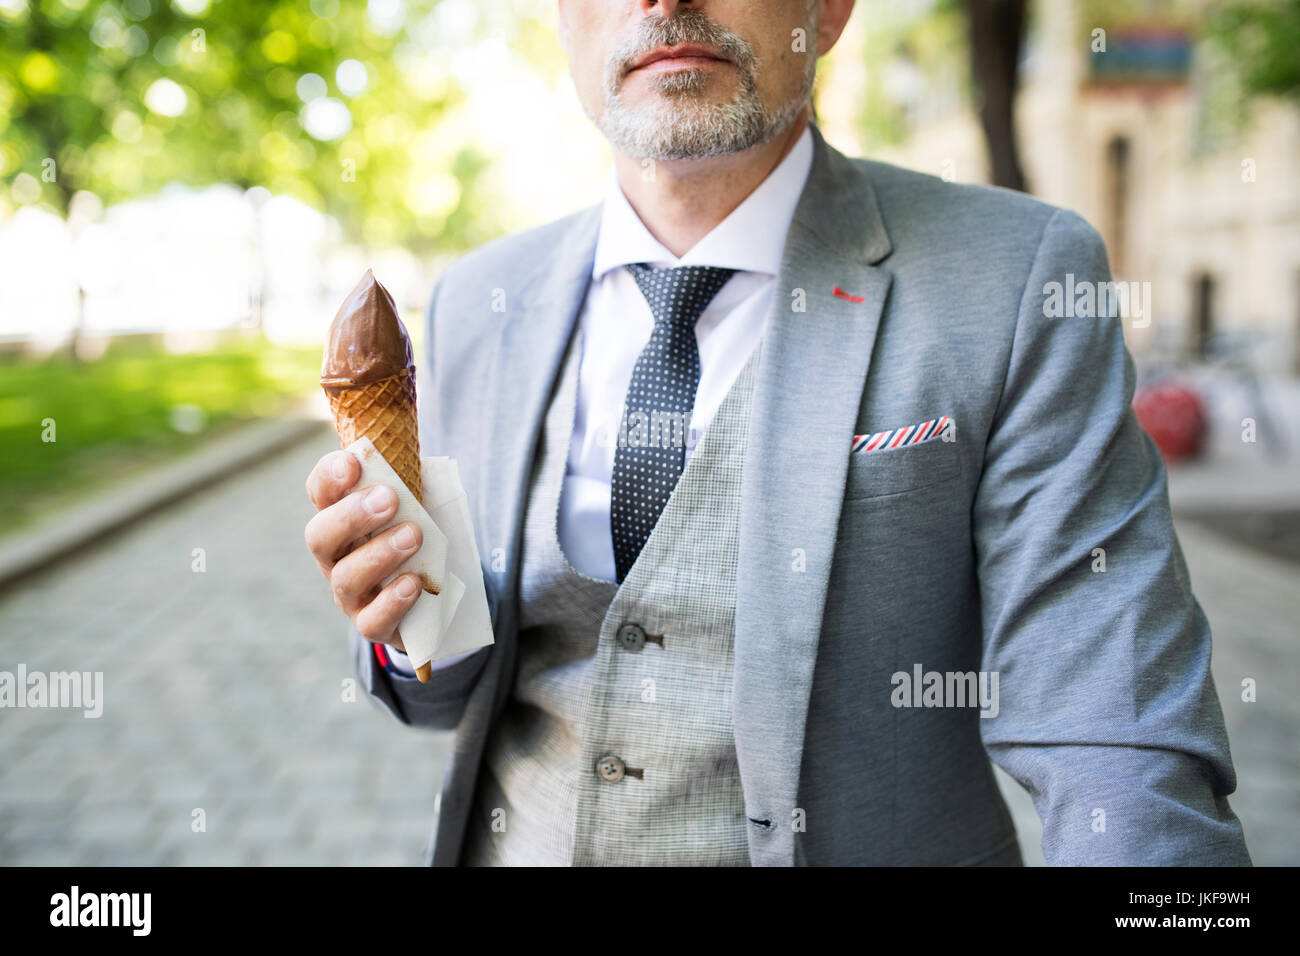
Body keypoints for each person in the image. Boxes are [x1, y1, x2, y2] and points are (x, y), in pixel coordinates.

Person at [303, 0, 1251, 866]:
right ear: (560, 16)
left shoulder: (1015, 280)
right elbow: (444, 690)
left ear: (830, 10)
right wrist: (407, 618)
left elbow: (1118, 732)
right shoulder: (479, 300)